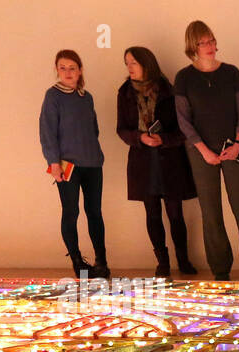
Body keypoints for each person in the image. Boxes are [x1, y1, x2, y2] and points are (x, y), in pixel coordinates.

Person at [173, 20, 239, 281]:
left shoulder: (232, 73)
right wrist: (203, 151)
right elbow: (183, 120)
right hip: (201, 152)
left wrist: (237, 144)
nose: (210, 46)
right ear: (193, 46)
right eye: (203, 42)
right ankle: (221, 272)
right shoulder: (184, 78)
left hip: (233, 148)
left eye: (211, 40)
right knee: (211, 212)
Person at [117, 46, 197, 278]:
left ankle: (183, 259)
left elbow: (184, 129)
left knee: (175, 213)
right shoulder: (124, 93)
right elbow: (121, 129)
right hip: (142, 160)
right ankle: (162, 261)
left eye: (133, 63)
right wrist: (139, 137)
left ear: (146, 63)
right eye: (127, 64)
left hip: (170, 160)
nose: (129, 68)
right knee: (152, 213)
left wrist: (164, 139)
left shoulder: (168, 90)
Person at [39, 49, 108, 278]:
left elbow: (93, 129)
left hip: (92, 163)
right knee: (71, 211)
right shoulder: (53, 96)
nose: (67, 72)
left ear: (80, 71)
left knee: (94, 212)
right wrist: (53, 162)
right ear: (57, 70)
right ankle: (78, 262)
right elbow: (47, 131)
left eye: (72, 68)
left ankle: (101, 260)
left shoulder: (86, 97)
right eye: (63, 68)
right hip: (67, 166)